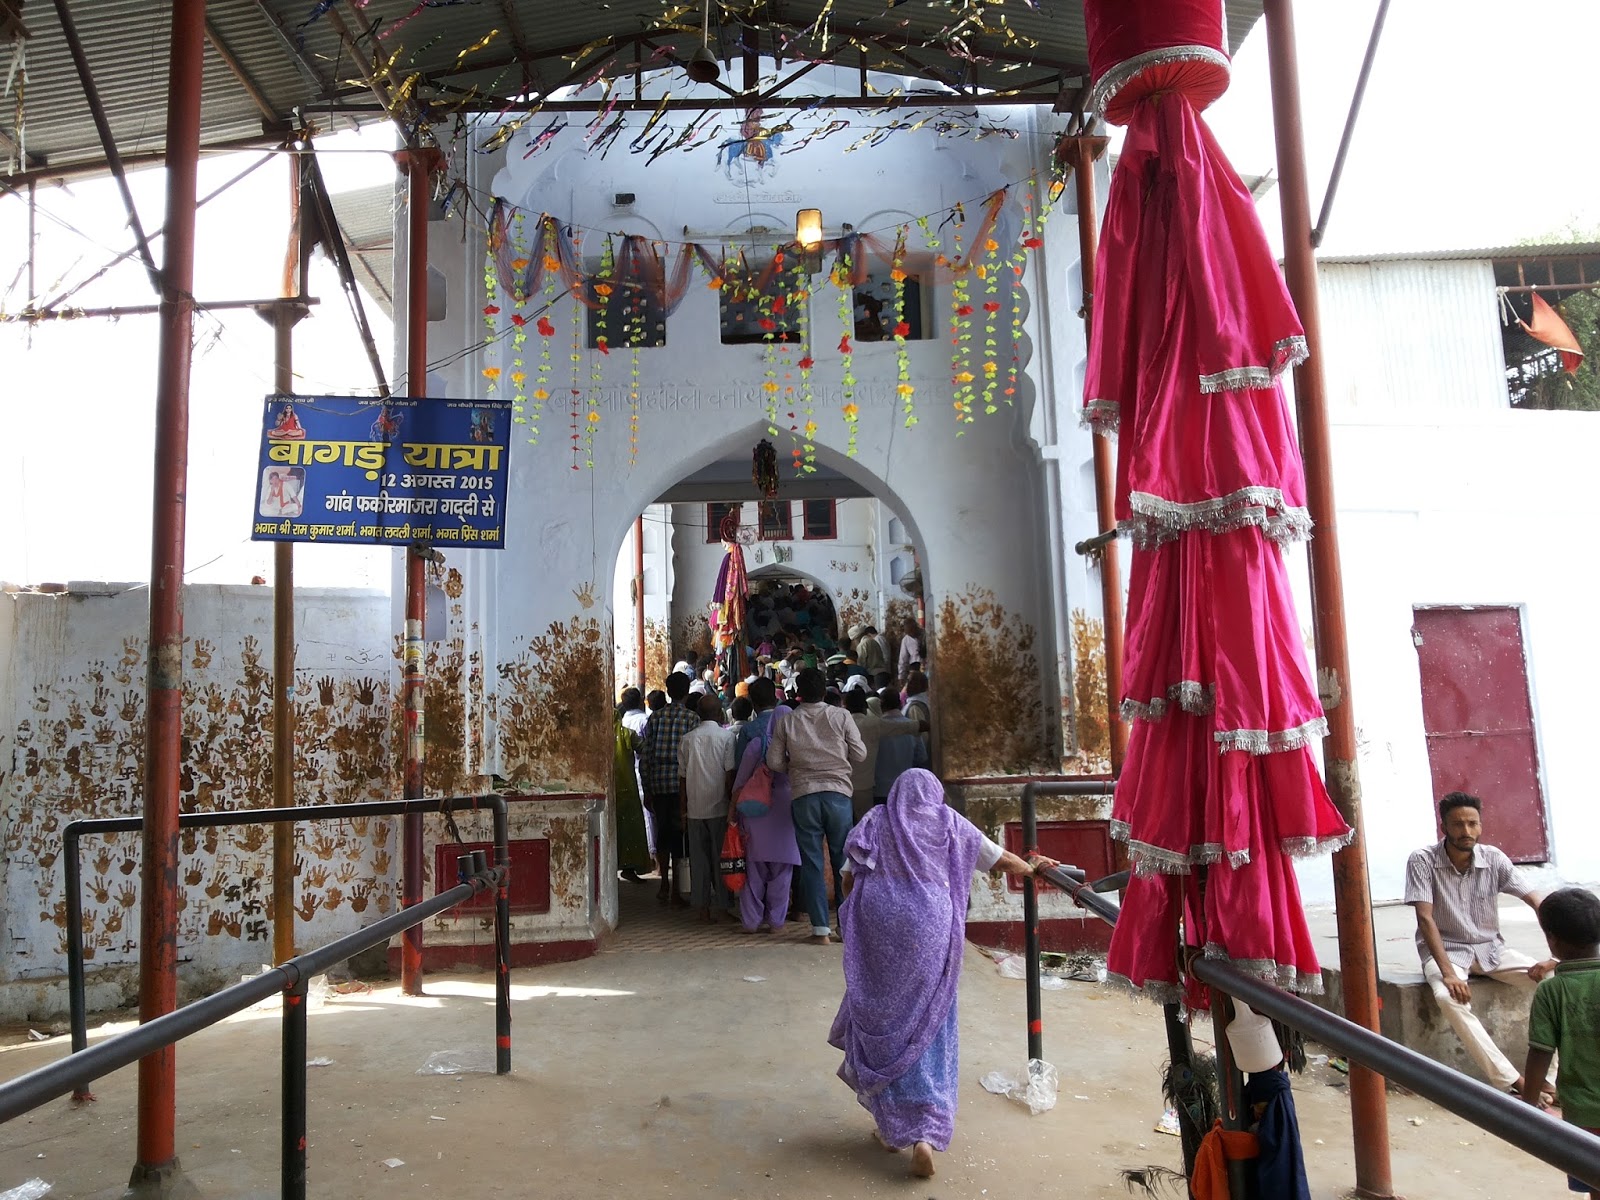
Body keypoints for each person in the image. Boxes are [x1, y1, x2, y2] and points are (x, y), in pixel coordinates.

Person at [830, 769, 1056, 1178]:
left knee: (886, 1017)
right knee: (930, 1022)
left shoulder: (877, 820)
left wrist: (861, 924)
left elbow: (848, 877)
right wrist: (1032, 868)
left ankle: (892, 1125)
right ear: (934, 794)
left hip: (880, 923)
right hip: (931, 926)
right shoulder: (949, 822)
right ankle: (924, 1133)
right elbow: (996, 857)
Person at [1405, 791, 1555, 1098]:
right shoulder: (1422, 860)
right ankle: (1513, 1081)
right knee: (1448, 997)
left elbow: (1537, 901)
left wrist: (1555, 956)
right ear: (1443, 825)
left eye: (1473, 823)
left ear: (1481, 825)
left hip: (1491, 950)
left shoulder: (1494, 859)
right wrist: (1447, 973)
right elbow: (1425, 918)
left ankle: (1552, 1081)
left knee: (1557, 983)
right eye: (1458, 824)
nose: (1466, 831)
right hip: (1448, 952)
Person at [767, 666, 866, 944]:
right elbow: (860, 753)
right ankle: (845, 929)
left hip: (804, 794)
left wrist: (796, 767)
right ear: (824, 691)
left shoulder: (787, 722)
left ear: (797, 694)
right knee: (842, 861)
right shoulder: (840, 715)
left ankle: (820, 930)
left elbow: (774, 761)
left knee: (810, 861)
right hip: (838, 795)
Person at [1522, 887, 1600, 1197]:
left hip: (1585, 1116)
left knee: (1595, 1185)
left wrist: (1526, 1108)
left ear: (1551, 939)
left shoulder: (1552, 991)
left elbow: (1540, 1053)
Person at [731, 678, 799, 933]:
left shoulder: (756, 745)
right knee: (783, 872)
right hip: (786, 813)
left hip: (756, 811)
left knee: (754, 870)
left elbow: (739, 782)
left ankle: (750, 920)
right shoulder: (797, 749)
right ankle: (777, 921)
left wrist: (732, 814)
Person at [640, 672, 701, 906]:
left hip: (659, 783)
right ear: (686, 693)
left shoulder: (655, 719)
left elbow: (646, 756)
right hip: (681, 784)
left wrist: (648, 787)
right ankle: (676, 889)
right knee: (679, 836)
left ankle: (663, 881)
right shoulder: (691, 718)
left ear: (667, 690)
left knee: (662, 833)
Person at [679, 693, 738, 923]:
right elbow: (729, 776)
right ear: (719, 713)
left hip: (694, 808)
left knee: (699, 860)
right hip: (720, 808)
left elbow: (682, 779)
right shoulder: (726, 738)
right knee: (721, 859)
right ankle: (724, 906)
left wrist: (682, 810)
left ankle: (702, 909)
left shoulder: (687, 739)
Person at [613, 690, 653, 884]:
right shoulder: (627, 735)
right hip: (628, 787)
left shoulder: (601, 739)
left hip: (608, 792)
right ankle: (630, 867)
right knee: (630, 831)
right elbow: (646, 749)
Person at [872, 689, 929, 803]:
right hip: (906, 788)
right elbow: (921, 758)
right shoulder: (912, 727)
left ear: (881, 705)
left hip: (881, 790)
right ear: (900, 703)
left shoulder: (875, 729)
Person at [843, 688, 882, 823]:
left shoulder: (840, 725)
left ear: (845, 706)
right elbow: (897, 726)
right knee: (866, 826)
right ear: (865, 706)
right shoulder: (874, 724)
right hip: (865, 787)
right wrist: (918, 725)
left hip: (842, 787)